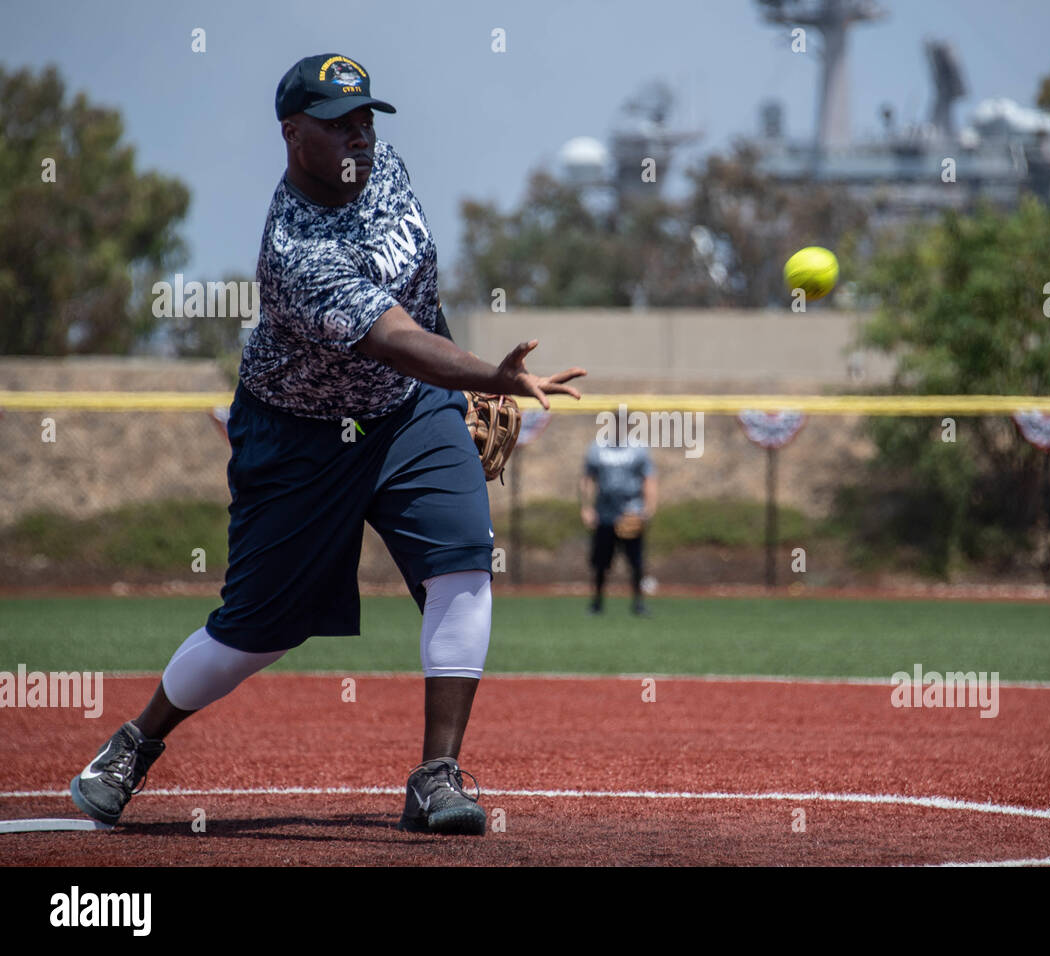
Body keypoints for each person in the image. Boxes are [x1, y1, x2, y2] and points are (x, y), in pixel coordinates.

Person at [68, 53, 584, 837]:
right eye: (339, 123)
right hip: (301, 436)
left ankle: (436, 777)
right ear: (292, 132)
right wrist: (489, 373)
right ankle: (137, 741)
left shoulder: (388, 168)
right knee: (257, 631)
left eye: (366, 118)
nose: (359, 136)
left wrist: (461, 386)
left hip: (411, 412)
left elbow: (418, 303)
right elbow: (396, 337)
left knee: (463, 564)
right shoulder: (297, 255)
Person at [580, 424, 657, 616]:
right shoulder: (597, 448)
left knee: (636, 562)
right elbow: (587, 478)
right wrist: (586, 507)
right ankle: (597, 604)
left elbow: (649, 479)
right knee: (600, 562)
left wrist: (648, 510)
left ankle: (639, 603)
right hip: (605, 514)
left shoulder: (638, 449)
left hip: (631, 512)